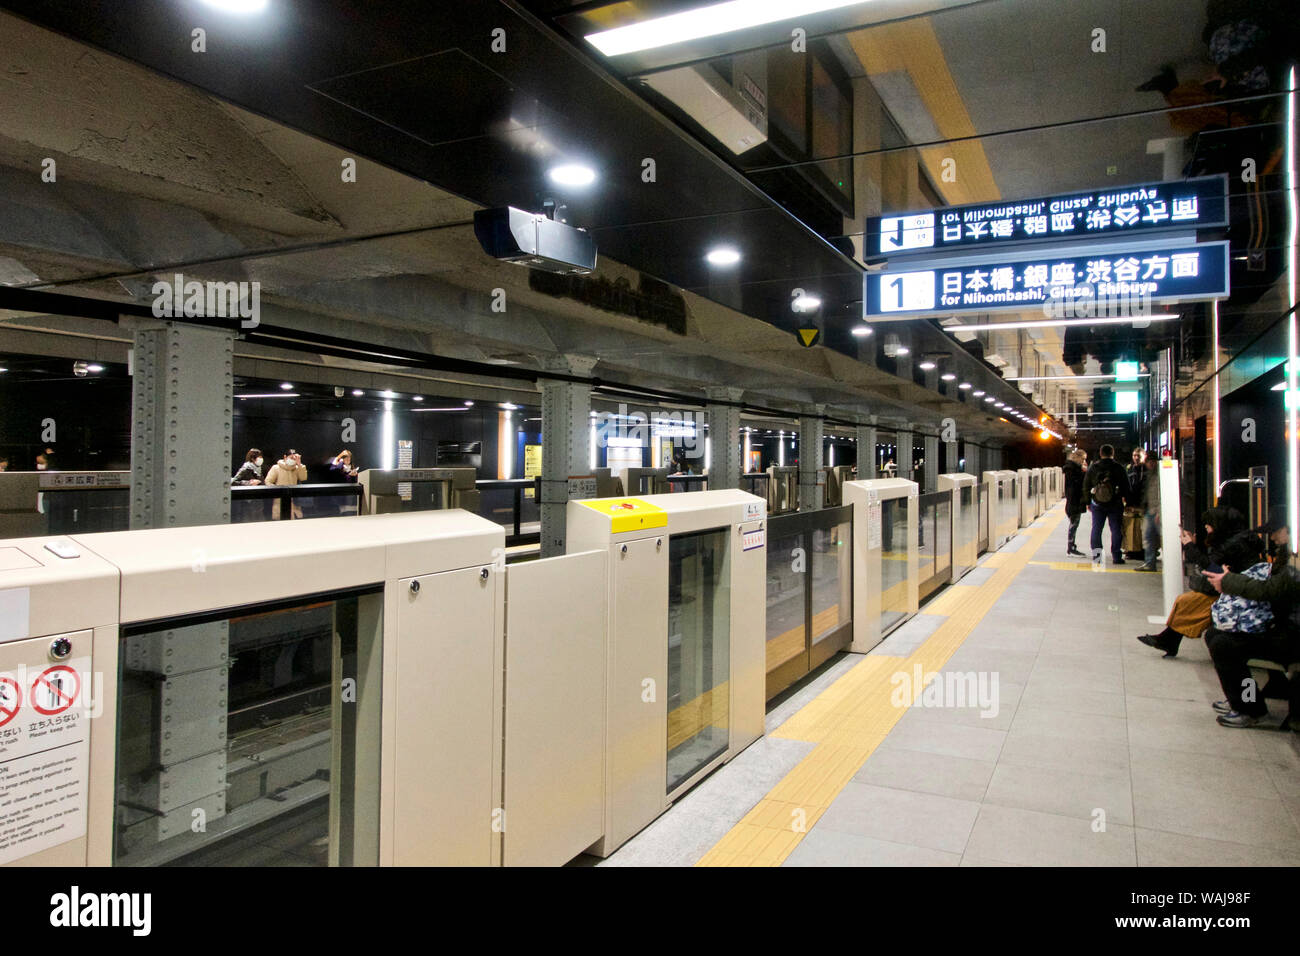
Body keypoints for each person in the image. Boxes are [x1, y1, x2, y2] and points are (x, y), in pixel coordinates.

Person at [1202, 532, 1297, 728]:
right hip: (1285, 628)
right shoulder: (1288, 558)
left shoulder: (1293, 563)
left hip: (1292, 635)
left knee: (1225, 645)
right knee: (1215, 636)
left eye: (1278, 531)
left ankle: (1250, 707)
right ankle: (1246, 700)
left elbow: (1269, 590)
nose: (1273, 537)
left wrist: (1228, 581)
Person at [1136, 505, 1247, 657]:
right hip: (1226, 587)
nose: (1206, 528)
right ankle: (1169, 640)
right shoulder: (1231, 541)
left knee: (1190, 602)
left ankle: (1169, 640)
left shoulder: (1233, 546)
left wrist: (1189, 546)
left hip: (1231, 591)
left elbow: (1209, 565)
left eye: (1209, 524)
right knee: (1186, 600)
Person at [1082, 444, 1131, 564]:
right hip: (1115, 503)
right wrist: (1127, 501)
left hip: (1097, 503)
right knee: (1115, 529)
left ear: (1100, 453)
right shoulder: (1118, 467)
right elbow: (1126, 486)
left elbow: (1086, 486)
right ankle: (1116, 556)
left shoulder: (1094, 467)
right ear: (1112, 453)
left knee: (1096, 529)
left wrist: (1088, 501)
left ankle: (1097, 557)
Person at [265, 449, 308, 519]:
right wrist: (278, 491)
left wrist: (299, 464)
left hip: (294, 502)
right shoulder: (276, 468)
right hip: (279, 502)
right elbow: (268, 481)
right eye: (291, 458)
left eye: (295, 458)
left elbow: (303, 478)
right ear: (285, 457)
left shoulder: (297, 468)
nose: (293, 460)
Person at [1136, 456, 1161, 572]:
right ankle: (1149, 563)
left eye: (1153, 462)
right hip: (1149, 511)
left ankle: (1152, 562)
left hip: (1158, 512)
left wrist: (1160, 511)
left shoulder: (1161, 475)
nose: (1151, 464)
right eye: (1148, 462)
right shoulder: (1147, 475)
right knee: (1148, 538)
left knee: (1160, 538)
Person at [1062, 449, 1087, 556]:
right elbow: (1078, 484)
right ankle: (1071, 547)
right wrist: (1083, 472)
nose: (1084, 461)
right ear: (1078, 457)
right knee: (1074, 524)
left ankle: (1071, 546)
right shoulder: (1074, 470)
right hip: (1074, 501)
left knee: (1074, 524)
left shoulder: (1070, 468)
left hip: (1072, 500)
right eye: (1083, 459)